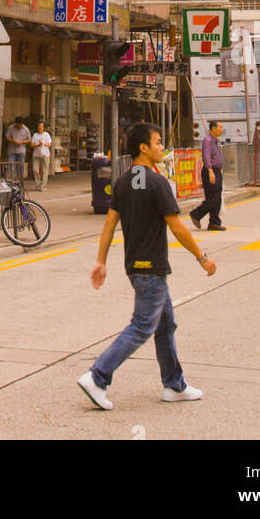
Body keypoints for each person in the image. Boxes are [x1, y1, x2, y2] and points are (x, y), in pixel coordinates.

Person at [77, 121, 217, 410]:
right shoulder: (156, 182)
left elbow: (108, 225)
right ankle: (98, 376)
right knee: (142, 327)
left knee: (165, 325)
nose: (161, 147)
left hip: (136, 268)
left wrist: (101, 261)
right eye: (157, 143)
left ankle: (174, 385)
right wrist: (202, 258)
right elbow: (177, 227)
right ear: (143, 148)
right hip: (151, 269)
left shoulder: (123, 182)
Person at [189, 120, 226, 232]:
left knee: (217, 198)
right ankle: (196, 214)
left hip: (216, 171)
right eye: (220, 127)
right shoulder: (207, 140)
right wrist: (210, 171)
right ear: (213, 128)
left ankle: (214, 223)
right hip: (210, 171)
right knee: (213, 198)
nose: (221, 129)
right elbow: (206, 156)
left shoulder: (215, 141)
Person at [5, 116, 31, 181]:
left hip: (21, 150)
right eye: (18, 124)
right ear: (16, 123)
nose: (19, 126)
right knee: (11, 165)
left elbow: (29, 139)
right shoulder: (11, 128)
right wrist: (13, 141)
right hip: (12, 150)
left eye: (21, 124)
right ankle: (12, 180)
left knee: (20, 166)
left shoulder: (26, 129)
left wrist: (22, 142)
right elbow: (7, 137)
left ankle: (19, 180)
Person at [31, 119, 52, 191]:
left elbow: (49, 143)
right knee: (35, 169)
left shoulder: (46, 135)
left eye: (41, 126)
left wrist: (44, 144)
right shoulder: (35, 135)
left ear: (44, 128)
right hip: (36, 155)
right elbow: (32, 144)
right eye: (39, 126)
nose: (40, 127)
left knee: (45, 171)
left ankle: (43, 186)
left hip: (45, 154)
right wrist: (37, 145)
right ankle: (38, 184)